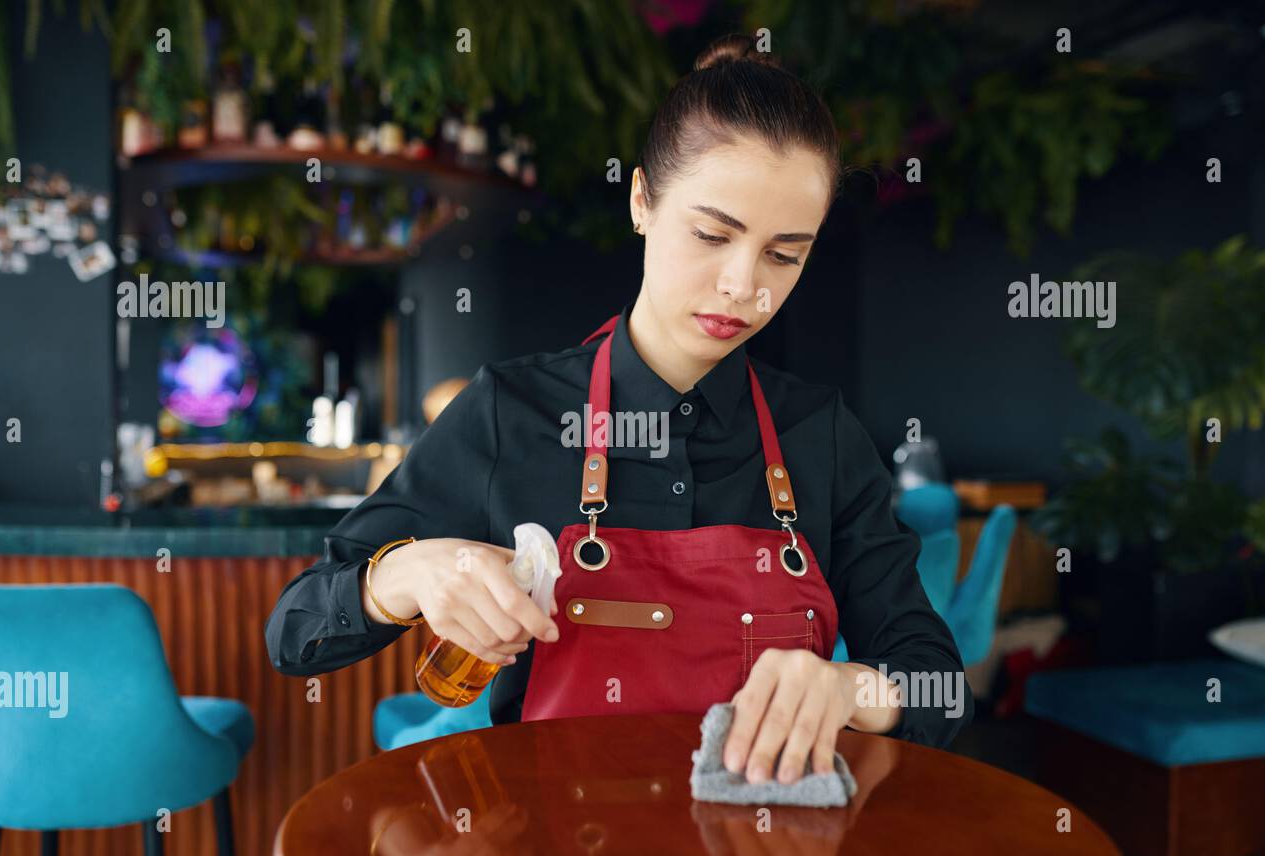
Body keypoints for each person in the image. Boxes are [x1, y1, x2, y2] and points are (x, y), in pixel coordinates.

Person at [266, 32, 974, 786]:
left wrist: (848, 689)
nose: (743, 284)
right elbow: (294, 631)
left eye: (784, 253)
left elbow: (941, 686)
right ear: (642, 200)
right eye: (712, 234)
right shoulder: (511, 412)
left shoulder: (821, 436)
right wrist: (404, 575)